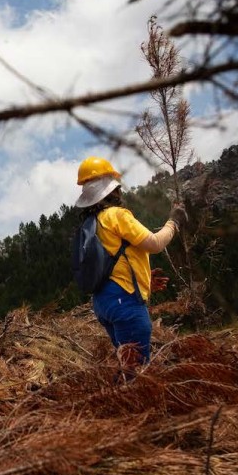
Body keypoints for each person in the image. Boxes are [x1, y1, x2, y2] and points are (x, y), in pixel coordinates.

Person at [72, 156, 186, 369]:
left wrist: (144, 281)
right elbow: (154, 243)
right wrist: (174, 221)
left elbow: (113, 263)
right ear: (112, 189)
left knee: (127, 366)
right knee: (136, 372)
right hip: (125, 304)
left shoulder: (93, 222)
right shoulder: (117, 216)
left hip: (104, 303)